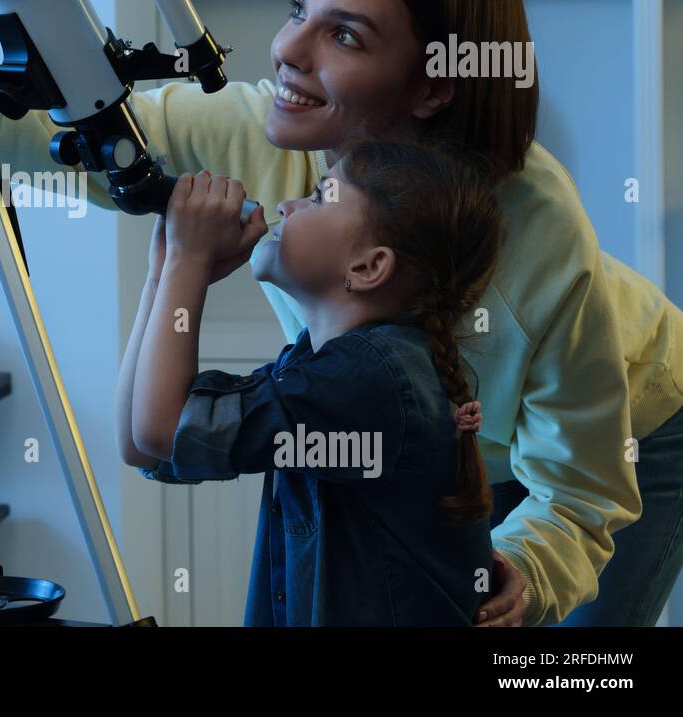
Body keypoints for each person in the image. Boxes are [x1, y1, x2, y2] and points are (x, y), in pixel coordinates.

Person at [0, 0, 683, 627]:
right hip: (434, 437)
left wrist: (531, 568)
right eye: (299, 12)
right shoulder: (262, 131)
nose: (287, 50)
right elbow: (56, 136)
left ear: (436, 83)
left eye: (346, 36)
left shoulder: (532, 222)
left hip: (632, 429)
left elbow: (584, 480)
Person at [118, 142, 501, 624]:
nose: (286, 206)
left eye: (319, 198)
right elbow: (146, 447)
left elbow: (162, 429)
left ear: (367, 267)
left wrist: (187, 264)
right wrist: (162, 272)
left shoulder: (371, 377)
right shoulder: (319, 364)